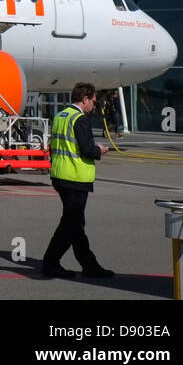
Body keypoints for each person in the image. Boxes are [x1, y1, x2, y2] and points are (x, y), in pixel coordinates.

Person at [41, 82, 114, 279]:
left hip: (60, 175)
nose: (94, 105)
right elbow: (88, 150)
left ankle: (89, 264)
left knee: (75, 224)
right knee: (70, 224)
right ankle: (50, 262)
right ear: (85, 99)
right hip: (75, 177)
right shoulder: (79, 119)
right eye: (93, 101)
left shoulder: (60, 116)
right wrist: (100, 149)